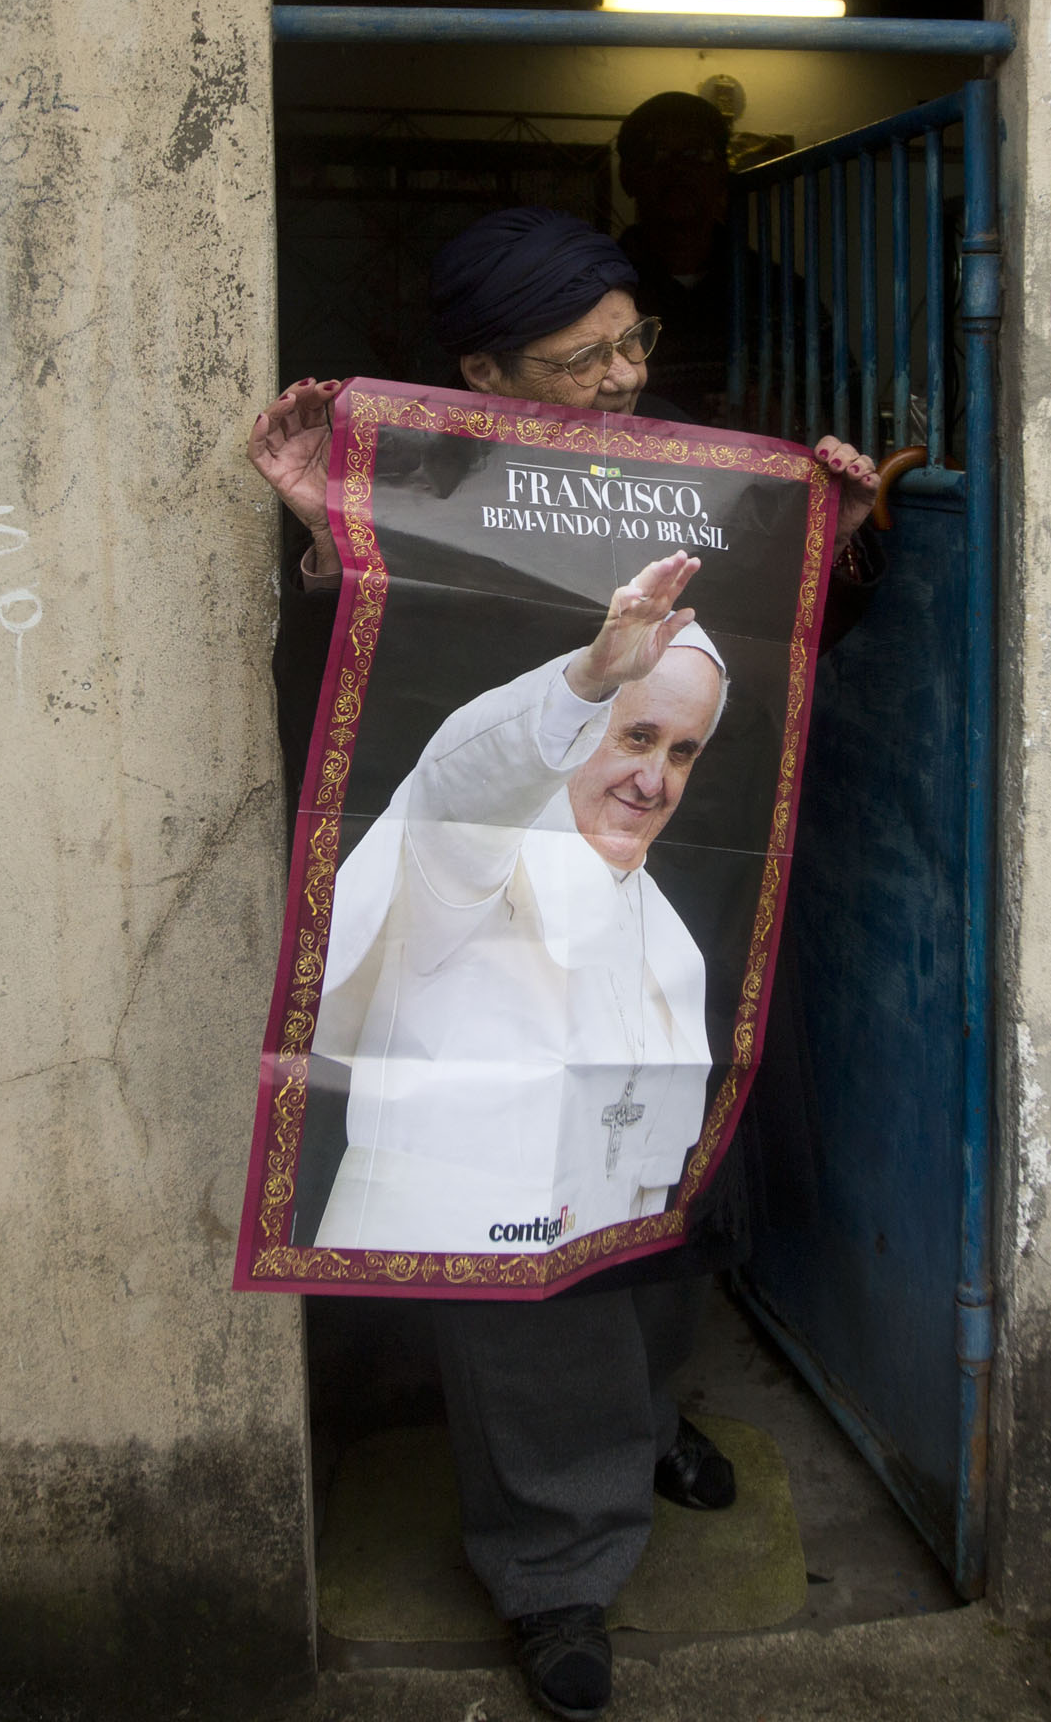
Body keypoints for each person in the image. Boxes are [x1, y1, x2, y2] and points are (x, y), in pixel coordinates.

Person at [247, 205, 879, 1721]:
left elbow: (783, 660)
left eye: (633, 344)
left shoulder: (688, 488)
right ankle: (557, 1574)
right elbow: (396, 733)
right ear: (483, 367)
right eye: (579, 357)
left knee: (665, 1193)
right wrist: (329, 519)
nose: (621, 378)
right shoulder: (422, 494)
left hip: (664, 917)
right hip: (480, 908)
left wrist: (827, 545)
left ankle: (640, 1427)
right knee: (520, 1241)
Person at [310, 553, 727, 1254]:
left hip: (586, 1269)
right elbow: (461, 781)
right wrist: (590, 681)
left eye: (682, 753)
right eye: (636, 736)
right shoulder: (473, 857)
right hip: (442, 1269)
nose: (653, 781)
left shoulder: (669, 933)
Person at [613, 92, 738, 422]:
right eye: (655, 153)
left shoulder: (782, 295)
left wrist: (790, 415)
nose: (677, 168)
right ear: (626, 176)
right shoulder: (595, 292)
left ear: (722, 171)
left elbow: (849, 418)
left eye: (697, 152)